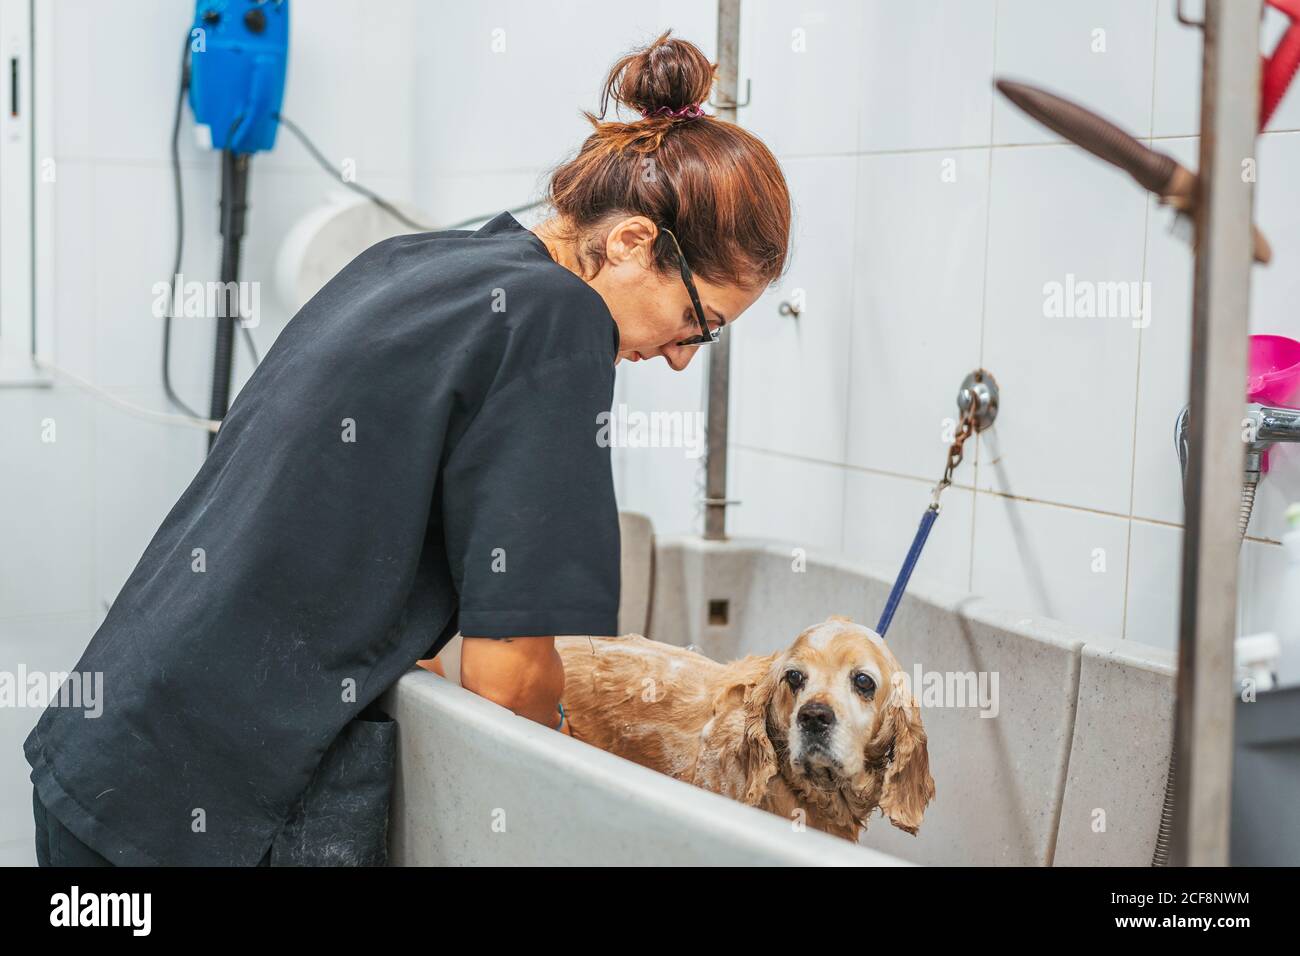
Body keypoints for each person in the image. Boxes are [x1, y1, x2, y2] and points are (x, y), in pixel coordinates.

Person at [26, 30, 791, 866]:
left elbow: (370, 525)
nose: (681, 356)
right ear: (636, 244)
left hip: (112, 756)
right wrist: (587, 789)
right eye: (698, 322)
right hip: (203, 807)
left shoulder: (421, 262)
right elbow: (507, 675)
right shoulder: (558, 319)